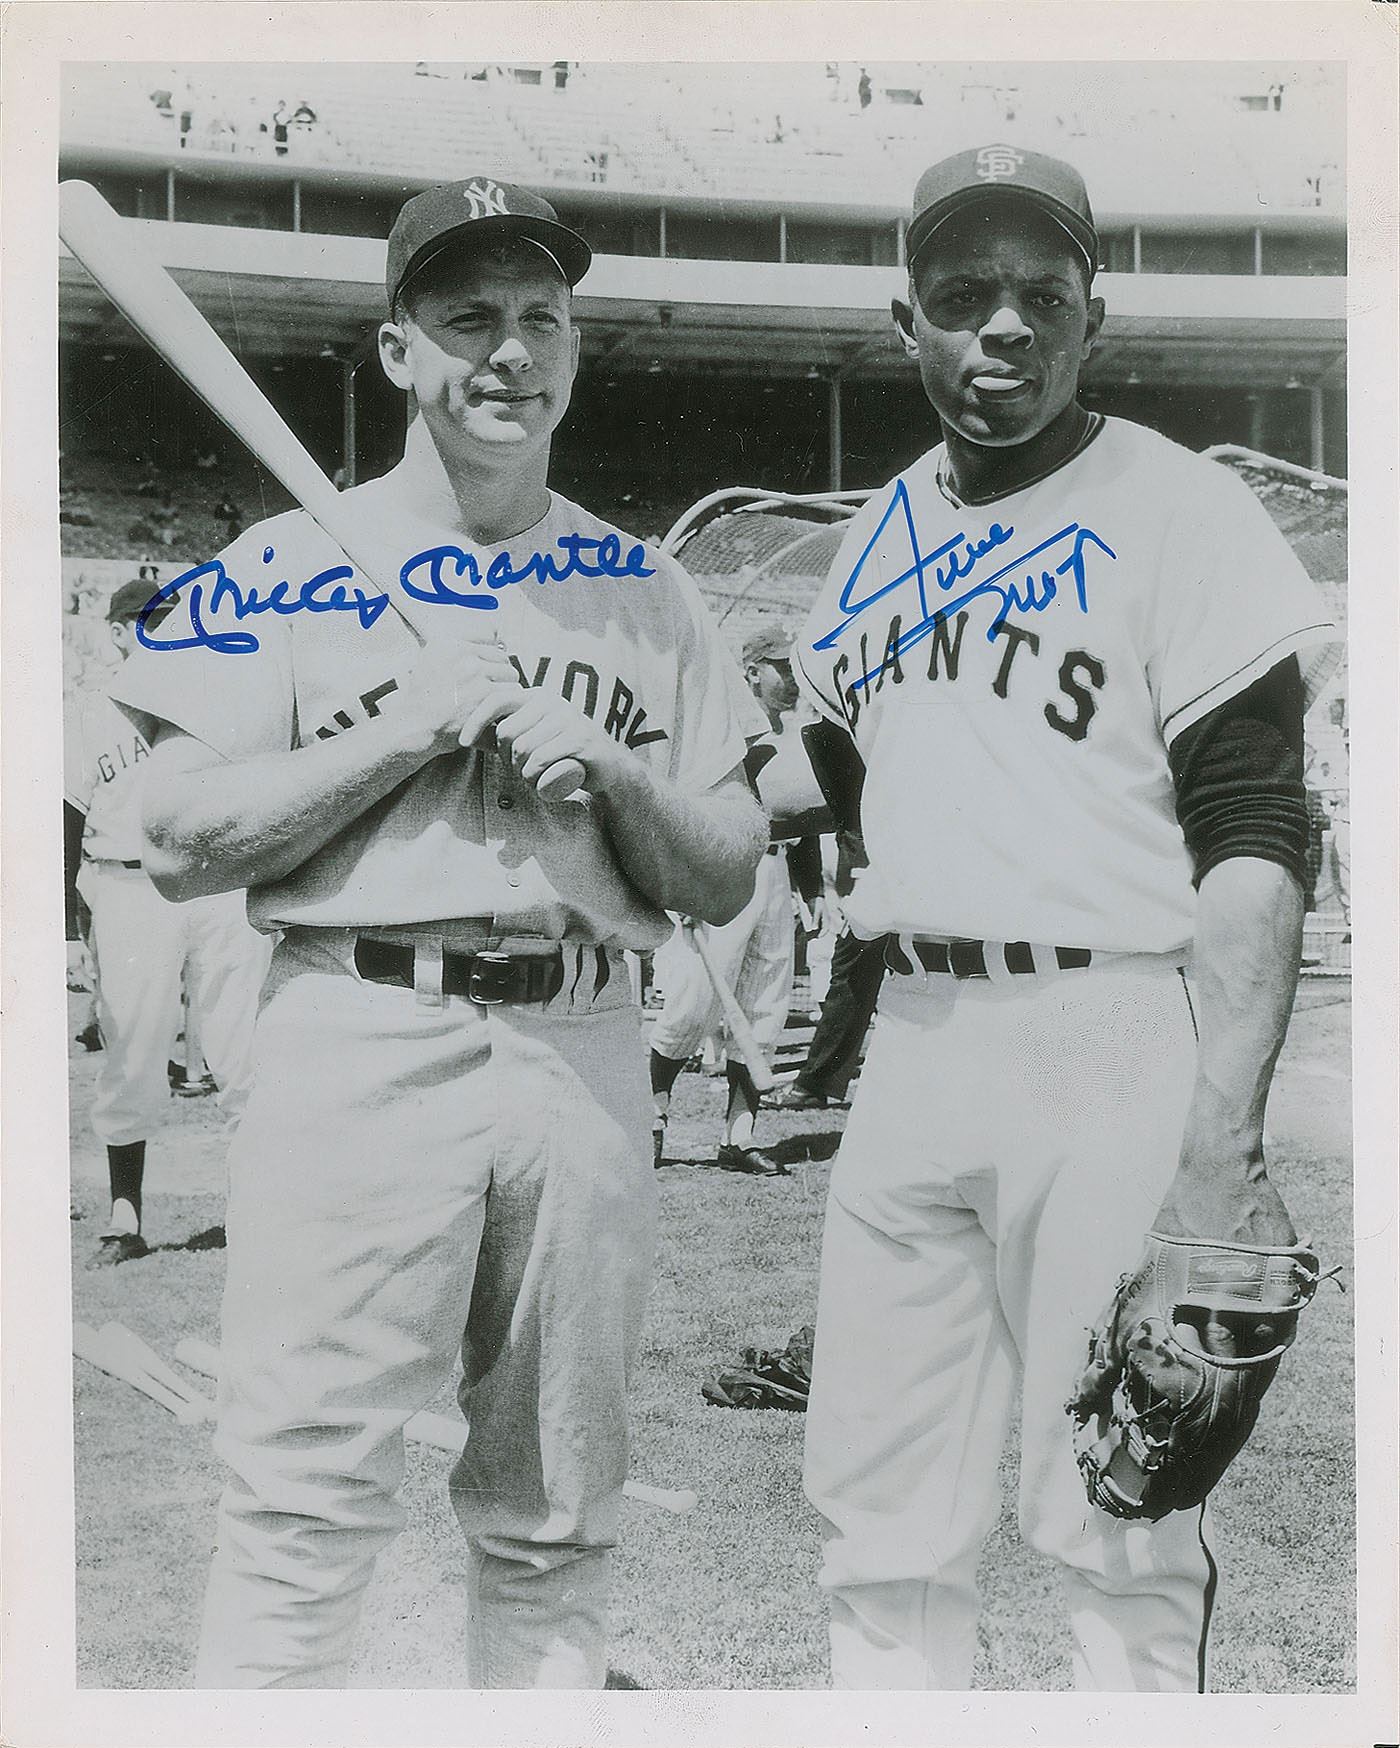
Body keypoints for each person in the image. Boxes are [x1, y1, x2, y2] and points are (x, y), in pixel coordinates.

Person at [111, 177, 767, 1688]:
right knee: (302, 1506)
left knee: (557, 1516)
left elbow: (726, 866)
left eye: (543, 318)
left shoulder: (643, 586)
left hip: (587, 1040)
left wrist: (603, 775)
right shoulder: (285, 563)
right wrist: (403, 732)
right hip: (361, 1028)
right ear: (397, 350)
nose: (510, 352)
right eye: (468, 317)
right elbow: (176, 837)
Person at [760, 145, 1340, 1690]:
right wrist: (605, 773)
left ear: (1094, 317)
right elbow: (803, 779)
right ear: (909, 325)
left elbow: (1256, 834)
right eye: (964, 298)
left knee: (1121, 1518)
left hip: (1109, 1036)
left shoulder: (1182, 506)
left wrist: (1225, 1145)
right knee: (880, 1520)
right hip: (918, 1040)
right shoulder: (881, 528)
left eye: (1039, 294)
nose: (1001, 327)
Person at [65, 580, 270, 1263]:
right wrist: (69, 926)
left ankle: (256, 1213)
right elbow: (63, 818)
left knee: (244, 1049)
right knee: (133, 1049)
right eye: (144, 621)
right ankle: (126, 1217)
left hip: (218, 886)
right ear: (118, 631)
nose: (159, 628)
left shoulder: (219, 695)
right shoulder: (90, 712)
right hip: (127, 888)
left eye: (167, 617)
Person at [649, 627, 801, 1176]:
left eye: (792, 667)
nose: (788, 678)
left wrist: (808, 891)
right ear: (751, 670)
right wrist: (688, 878)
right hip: (724, 865)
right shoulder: (720, 718)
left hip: (776, 866)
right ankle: (653, 1117)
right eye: (778, 666)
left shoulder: (798, 731)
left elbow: (796, 815)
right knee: (690, 1003)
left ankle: (740, 1135)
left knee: (766, 1004)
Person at [769, 828, 884, 1110]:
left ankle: (815, 1083)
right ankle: (816, 1082)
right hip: (873, 875)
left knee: (853, 972)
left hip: (887, 875)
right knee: (851, 971)